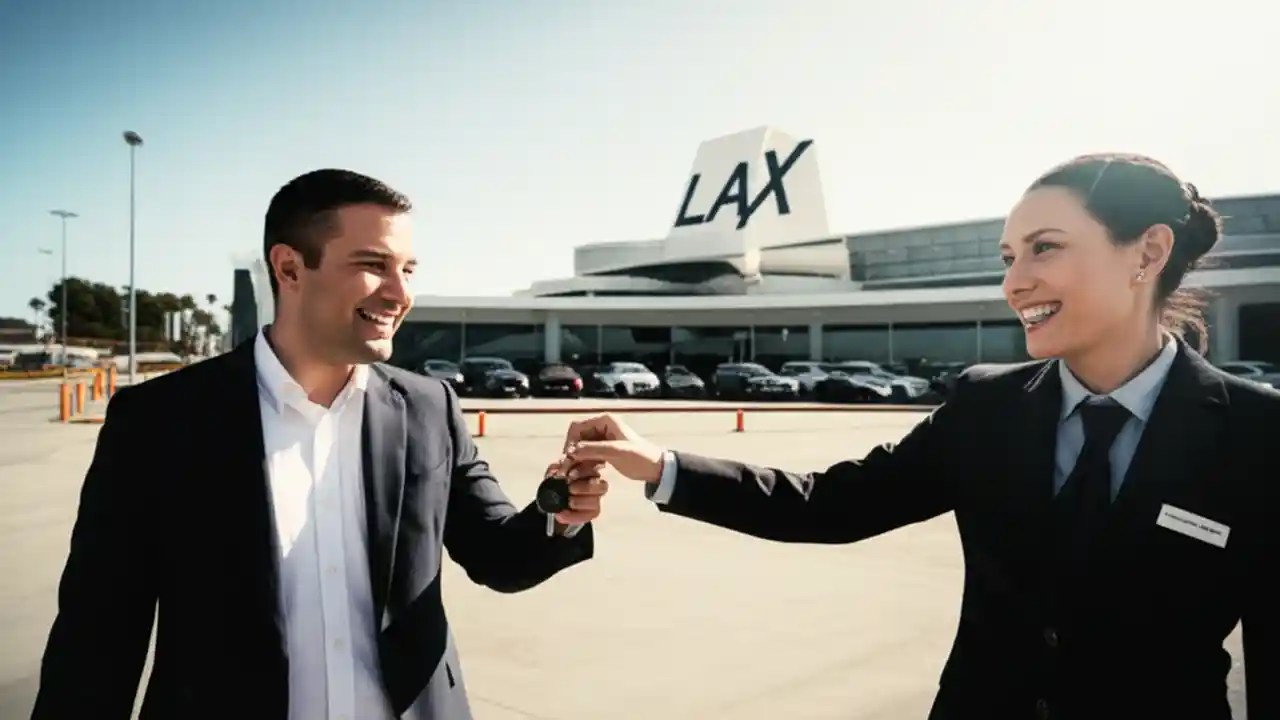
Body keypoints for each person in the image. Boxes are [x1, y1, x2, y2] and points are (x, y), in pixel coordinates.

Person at [564, 154, 1278, 720]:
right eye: (1008, 257)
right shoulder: (985, 407)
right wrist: (662, 465)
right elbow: (831, 505)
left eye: (1044, 248)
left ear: (1148, 251)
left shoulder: (1257, 434)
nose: (1015, 283)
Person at [31, 169, 608, 720]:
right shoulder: (159, 421)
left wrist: (560, 512)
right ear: (289, 268)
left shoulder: (429, 409)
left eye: (408, 269)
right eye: (373, 265)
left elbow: (498, 557)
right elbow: (98, 637)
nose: (400, 293)